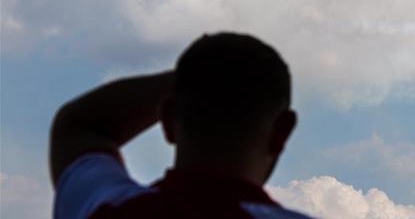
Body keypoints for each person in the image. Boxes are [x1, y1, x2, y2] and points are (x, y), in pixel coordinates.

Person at [50, 32, 311, 218]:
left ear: (167, 118)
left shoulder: (102, 207)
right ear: (282, 132)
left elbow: (79, 125)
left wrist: (200, 75)